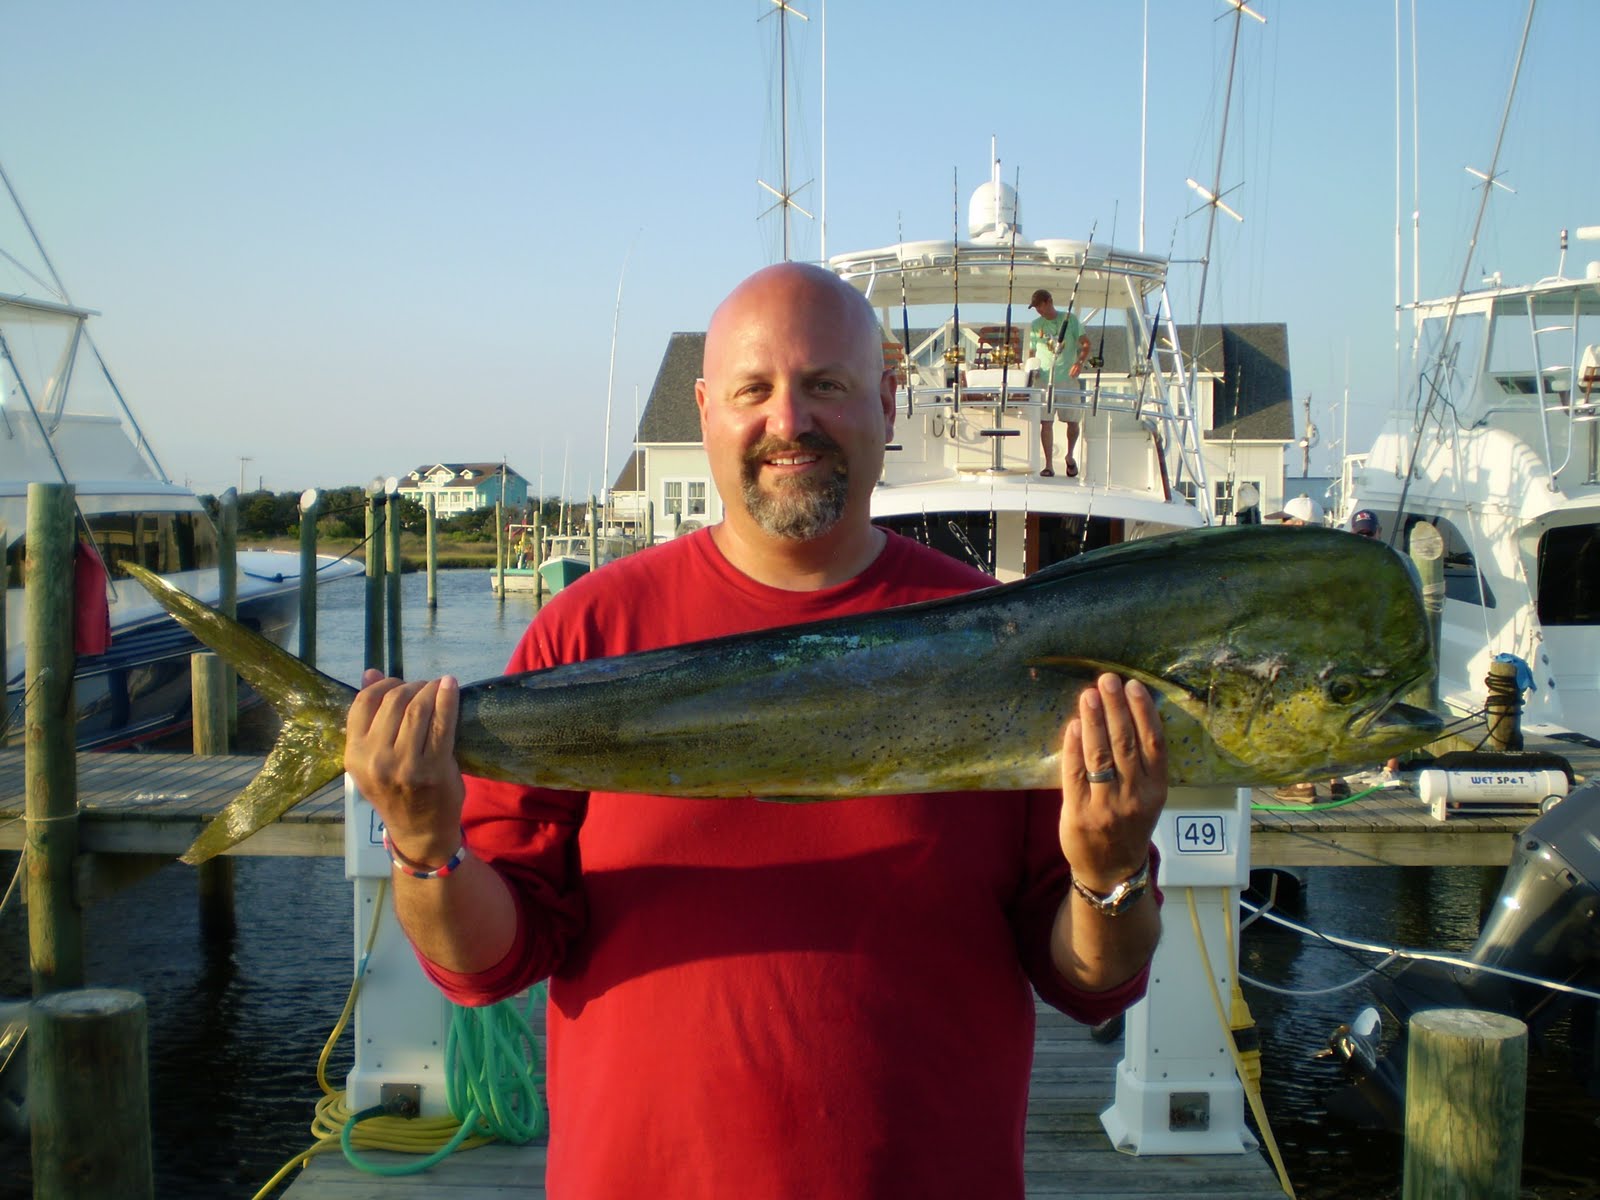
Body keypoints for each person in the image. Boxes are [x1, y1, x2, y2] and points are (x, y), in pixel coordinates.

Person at [344, 262, 1167, 1199]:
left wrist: (1110, 872)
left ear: (888, 402)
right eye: (755, 389)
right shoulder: (585, 632)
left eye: (826, 384)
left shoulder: (1011, 644)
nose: (789, 421)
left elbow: (1090, 982)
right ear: (705, 410)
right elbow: (489, 962)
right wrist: (422, 846)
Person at [1026, 288, 1091, 477]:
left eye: (1040, 305)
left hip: (1067, 380)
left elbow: (1086, 344)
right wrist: (1030, 370)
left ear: (1049, 301)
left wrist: (1079, 363)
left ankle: (1070, 456)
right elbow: (1030, 352)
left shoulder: (1070, 320)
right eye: (1035, 306)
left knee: (1072, 421)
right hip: (1043, 380)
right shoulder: (1035, 325)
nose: (1038, 309)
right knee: (1045, 422)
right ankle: (1048, 465)